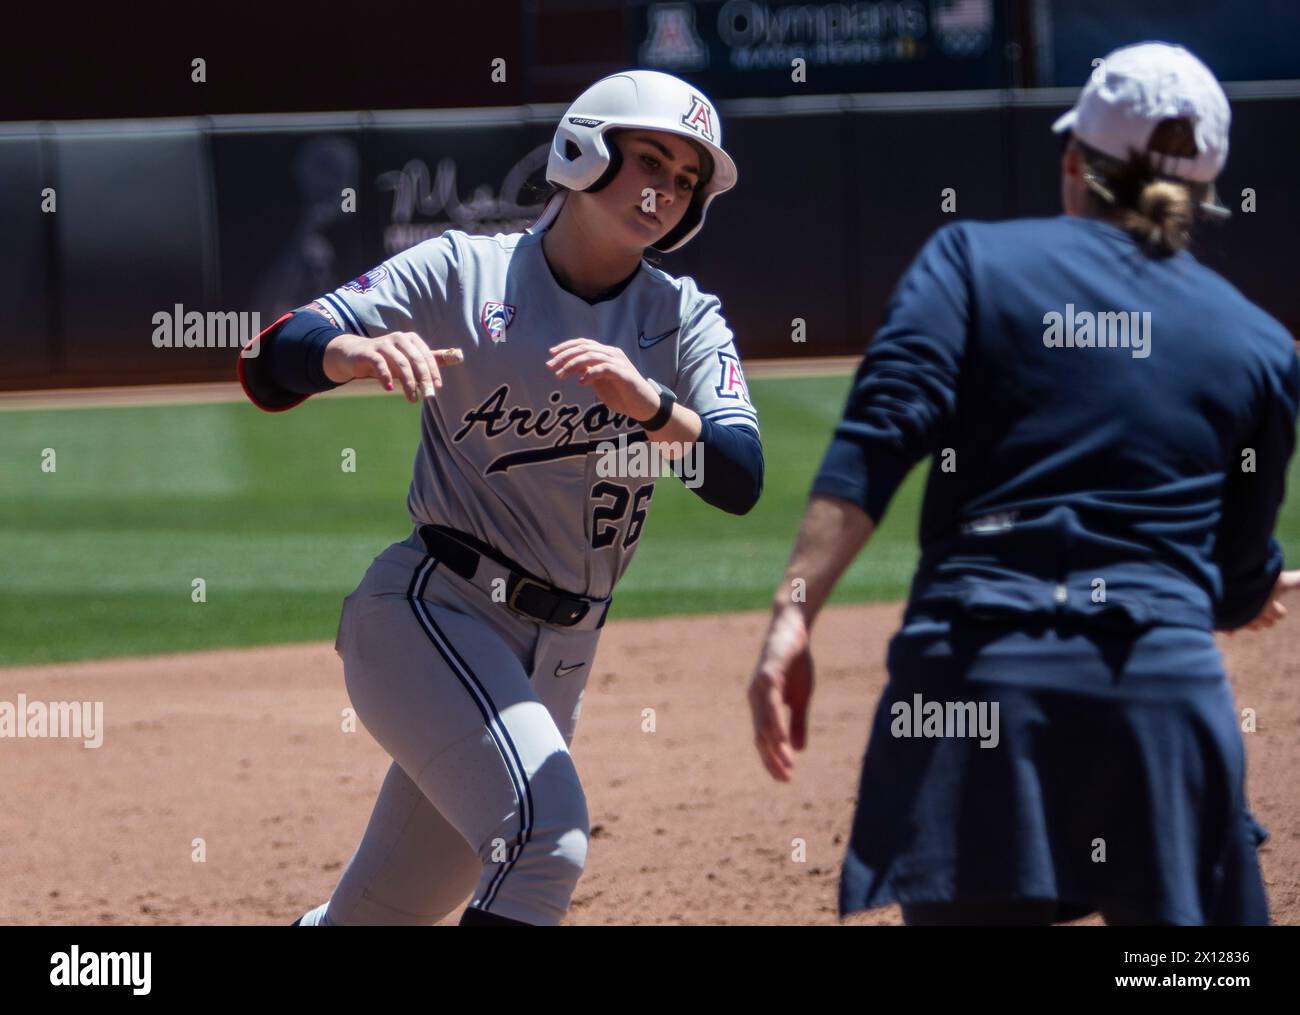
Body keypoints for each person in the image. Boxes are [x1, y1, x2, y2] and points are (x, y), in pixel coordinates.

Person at [747, 42, 1299, 926]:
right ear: (1205, 188)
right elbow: (1230, 577)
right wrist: (1247, 585)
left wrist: (792, 616)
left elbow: (877, 439)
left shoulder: (969, 259)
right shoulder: (1262, 345)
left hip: (970, 684)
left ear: (1077, 159)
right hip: (1155, 692)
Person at [237, 69, 763, 926]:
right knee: (546, 839)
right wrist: (350, 355)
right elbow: (271, 359)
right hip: (431, 614)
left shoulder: (685, 319)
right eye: (650, 161)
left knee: (377, 916)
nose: (665, 190)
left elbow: (740, 476)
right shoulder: (465, 272)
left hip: (560, 658)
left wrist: (658, 410)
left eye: (685, 179)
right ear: (585, 151)